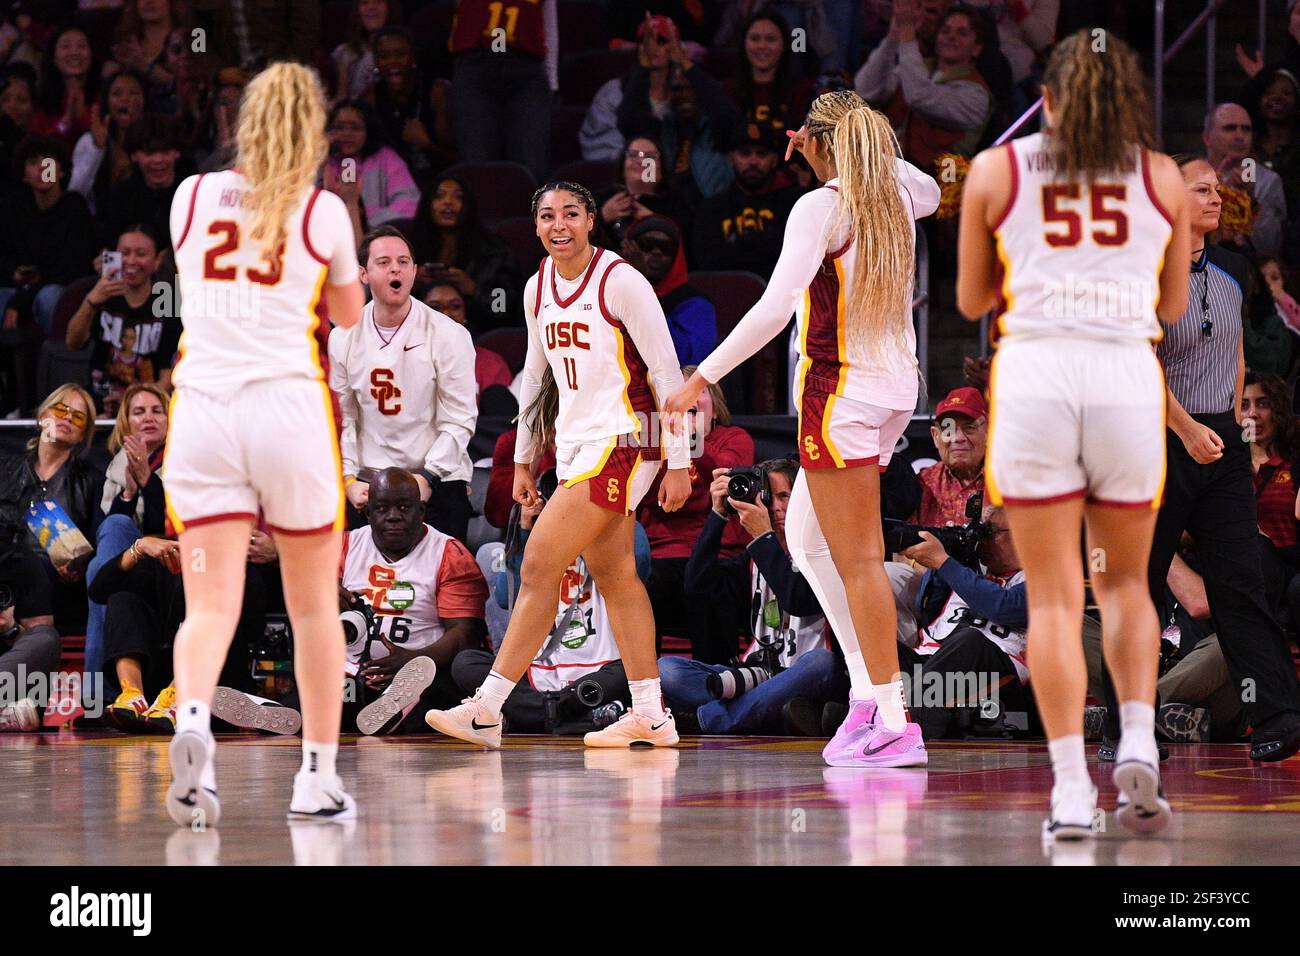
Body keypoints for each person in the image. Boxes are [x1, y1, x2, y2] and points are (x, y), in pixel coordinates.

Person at [956, 32, 1190, 838]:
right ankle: (1137, 745)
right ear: (1129, 104)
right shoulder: (1162, 176)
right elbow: (1170, 308)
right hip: (1126, 375)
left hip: (1037, 376)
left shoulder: (996, 169)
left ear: (1046, 100)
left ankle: (1066, 790)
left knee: (1053, 599)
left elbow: (968, 298)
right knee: (1126, 584)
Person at [668, 90, 942, 769]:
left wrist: (702, 374)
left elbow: (771, 308)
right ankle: (865, 691)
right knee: (804, 536)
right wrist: (862, 146)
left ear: (812, 141)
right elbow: (932, 185)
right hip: (895, 390)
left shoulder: (822, 205)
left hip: (840, 391)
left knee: (856, 559)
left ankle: (891, 716)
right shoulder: (898, 195)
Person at [163, 61, 364, 825]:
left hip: (205, 412)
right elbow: (348, 317)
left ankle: (191, 733)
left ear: (240, 123)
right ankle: (315, 776)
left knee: (208, 606)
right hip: (285, 411)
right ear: (312, 131)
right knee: (312, 607)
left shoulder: (188, 196)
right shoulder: (322, 213)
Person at [423, 180, 692, 749]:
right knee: (617, 578)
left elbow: (668, 374)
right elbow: (537, 378)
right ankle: (651, 713)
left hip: (629, 437)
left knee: (540, 563)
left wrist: (679, 460)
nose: (559, 224)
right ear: (537, 226)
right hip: (575, 443)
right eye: (547, 216)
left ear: (592, 220)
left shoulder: (621, 280)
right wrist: (525, 458)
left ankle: (487, 707)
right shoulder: (537, 286)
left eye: (571, 212)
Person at [660, 458, 844, 736]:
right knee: (668, 669)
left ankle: (717, 719)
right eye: (768, 498)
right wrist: (717, 515)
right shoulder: (754, 558)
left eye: (785, 496)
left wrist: (763, 537)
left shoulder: (823, 550)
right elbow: (698, 588)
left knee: (820, 662)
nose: (776, 507)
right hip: (757, 675)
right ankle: (767, 712)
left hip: (808, 674)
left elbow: (799, 601)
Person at [453, 469, 643, 734]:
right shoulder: (537, 548)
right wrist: (525, 533)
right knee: (465, 664)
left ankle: (528, 715)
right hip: (537, 670)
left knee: (629, 671)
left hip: (598, 667)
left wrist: (604, 518)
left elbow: (641, 563)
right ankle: (563, 715)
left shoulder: (608, 542)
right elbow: (505, 597)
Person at [329, 225, 478, 542]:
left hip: (436, 477)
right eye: (383, 262)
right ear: (363, 274)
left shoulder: (449, 335)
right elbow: (345, 418)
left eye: (403, 261)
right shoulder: (343, 336)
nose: (395, 268)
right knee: (360, 585)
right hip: (370, 480)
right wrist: (348, 478)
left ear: (413, 271)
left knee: (440, 583)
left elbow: (460, 418)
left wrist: (428, 477)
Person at [340, 468, 489, 735]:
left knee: (441, 684)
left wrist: (413, 659)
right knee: (323, 698)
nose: (393, 516)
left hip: (422, 671)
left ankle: (397, 709)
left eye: (404, 507)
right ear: (368, 513)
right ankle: (271, 707)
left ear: (421, 511)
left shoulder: (449, 553)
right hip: (353, 672)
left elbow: (465, 634)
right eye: (382, 508)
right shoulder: (343, 547)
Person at [639, 366, 754, 662]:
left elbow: (724, 477)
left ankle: (716, 680)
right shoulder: (649, 439)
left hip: (717, 554)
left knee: (706, 582)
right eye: (677, 391)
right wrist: (666, 437)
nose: (687, 397)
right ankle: (645, 689)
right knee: (642, 584)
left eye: (697, 390)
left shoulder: (734, 438)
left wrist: (689, 439)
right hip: (661, 556)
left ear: (715, 408)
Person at [898, 504, 1030, 739]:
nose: (982, 540)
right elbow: (924, 605)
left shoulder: (1043, 577)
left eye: (989, 532)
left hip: (993, 674)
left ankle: (899, 719)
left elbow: (1004, 606)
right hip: (933, 664)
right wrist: (952, 552)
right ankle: (871, 712)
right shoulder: (966, 570)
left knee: (970, 639)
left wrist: (945, 563)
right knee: (878, 646)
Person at [0, 384, 103, 634]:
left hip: (53, 587)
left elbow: (98, 544)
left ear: (83, 434)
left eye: (78, 416)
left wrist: (79, 568)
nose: (67, 417)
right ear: (43, 416)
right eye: (60, 409)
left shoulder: (92, 480)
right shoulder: (5, 469)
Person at [855, 2, 993, 172]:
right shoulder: (921, 66)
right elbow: (866, 90)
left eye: (962, 33)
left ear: (977, 49)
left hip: (937, 183)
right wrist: (894, 35)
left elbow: (919, 96)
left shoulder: (976, 94)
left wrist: (907, 36)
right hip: (888, 168)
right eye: (945, 31)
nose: (951, 37)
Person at [65, 223, 177, 414]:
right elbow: (72, 343)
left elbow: (168, 379)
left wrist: (131, 405)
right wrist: (91, 301)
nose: (131, 261)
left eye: (141, 254)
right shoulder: (100, 290)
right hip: (99, 406)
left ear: (157, 260)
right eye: (124, 253)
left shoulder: (169, 297)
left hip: (146, 411)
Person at [448, 0, 557, 182]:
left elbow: (548, 23)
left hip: (526, 68)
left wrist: (552, 79)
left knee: (530, 163)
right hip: (476, 65)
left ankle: (527, 209)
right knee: (477, 164)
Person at [0, 133, 97, 337]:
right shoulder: (13, 207)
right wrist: (13, 273)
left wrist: (22, 299)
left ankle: (62, 364)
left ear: (61, 171)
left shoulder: (74, 207)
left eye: (49, 161)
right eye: (33, 162)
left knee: (49, 297)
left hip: (59, 290)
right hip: (20, 289)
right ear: (24, 175)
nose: (42, 168)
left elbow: (71, 270)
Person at [690, 120, 803, 276]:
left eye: (761, 154)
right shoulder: (711, 208)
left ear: (775, 160)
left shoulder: (796, 204)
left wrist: (736, 243)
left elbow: (796, 257)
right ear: (730, 158)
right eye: (745, 153)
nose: (753, 161)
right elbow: (707, 262)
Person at [407, 175, 520, 331]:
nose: (448, 202)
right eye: (439, 196)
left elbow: (503, 308)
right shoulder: (407, 250)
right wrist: (410, 283)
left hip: (477, 333)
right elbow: (382, 304)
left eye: (458, 197)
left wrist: (474, 289)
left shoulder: (494, 251)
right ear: (427, 205)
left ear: (468, 206)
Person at [621, 215, 716, 366]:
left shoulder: (695, 303)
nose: (656, 252)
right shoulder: (605, 293)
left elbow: (688, 359)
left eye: (666, 248)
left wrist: (639, 286)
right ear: (627, 249)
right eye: (647, 245)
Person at [366, 27, 455, 182]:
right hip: (393, 183)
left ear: (413, 57)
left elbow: (459, 157)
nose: (393, 62)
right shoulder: (371, 98)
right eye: (384, 56)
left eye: (400, 55)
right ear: (376, 62)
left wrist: (426, 144)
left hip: (440, 180)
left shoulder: (437, 91)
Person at [323, 100, 419, 236]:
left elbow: (409, 203)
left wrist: (369, 225)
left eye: (355, 128)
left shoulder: (386, 158)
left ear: (368, 131)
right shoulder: (321, 160)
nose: (347, 134)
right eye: (339, 127)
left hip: (376, 239)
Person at [1204, 102, 1286, 259]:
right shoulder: (1188, 174)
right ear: (1207, 137)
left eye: (1246, 129)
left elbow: (1271, 247)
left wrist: (1250, 200)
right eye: (1230, 128)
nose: (1240, 136)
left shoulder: (1269, 182)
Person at [99, 113, 192, 248]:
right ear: (134, 156)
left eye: (165, 152)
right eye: (149, 153)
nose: (158, 160)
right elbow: (112, 248)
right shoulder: (119, 198)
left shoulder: (194, 195)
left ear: (177, 153)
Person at [68, 70, 147, 215]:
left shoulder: (154, 140)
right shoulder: (89, 141)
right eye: (117, 94)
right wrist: (97, 149)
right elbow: (74, 192)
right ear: (106, 102)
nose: (125, 99)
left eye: (134, 93)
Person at [100, 382, 169, 535]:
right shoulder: (116, 467)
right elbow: (110, 533)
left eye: (157, 411)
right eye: (139, 412)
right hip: (127, 553)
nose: (149, 418)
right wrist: (128, 494)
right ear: (126, 422)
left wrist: (148, 481)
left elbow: (169, 527)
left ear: (169, 419)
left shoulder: (185, 462)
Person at [423, 281, 513, 398]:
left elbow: (501, 414)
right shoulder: (403, 357)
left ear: (465, 314)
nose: (446, 314)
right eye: (435, 307)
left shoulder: (490, 363)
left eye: (455, 306)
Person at [0, 588, 59, 731]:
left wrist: (10, 628)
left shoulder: (20, 568)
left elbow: (37, 643)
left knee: (46, 637)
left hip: (10, 683)